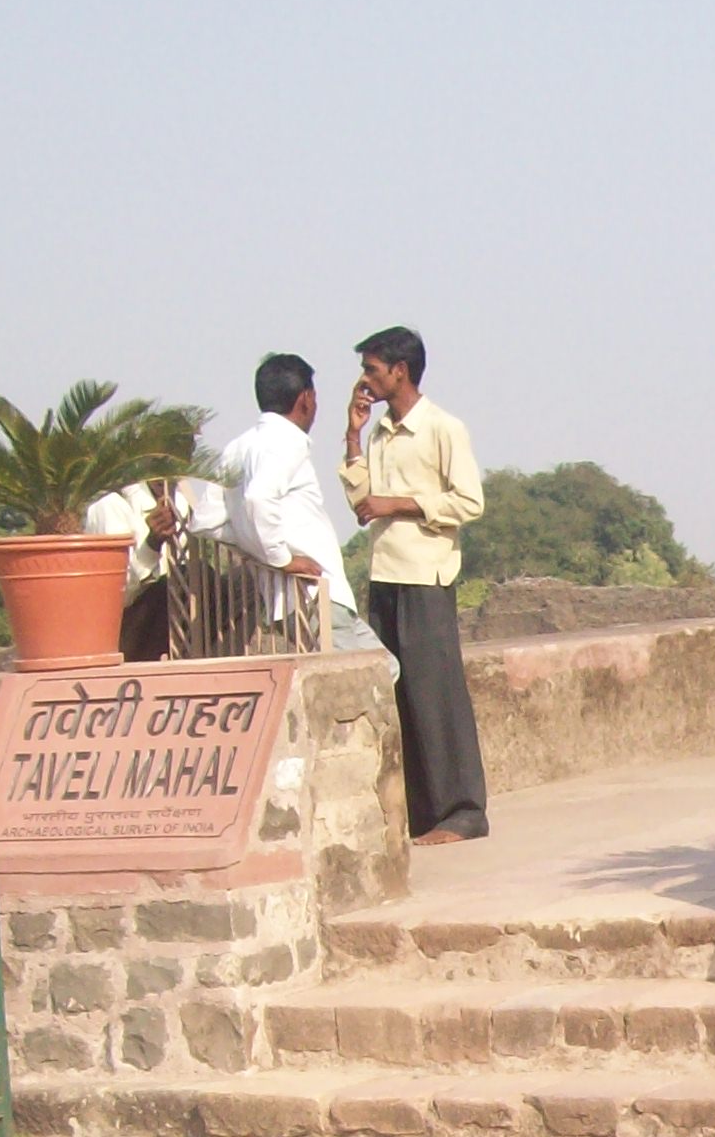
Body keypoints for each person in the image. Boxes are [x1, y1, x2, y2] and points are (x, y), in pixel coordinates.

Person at [342, 326, 491, 844]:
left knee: (436, 694)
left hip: (426, 577)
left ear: (399, 371)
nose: (365, 380)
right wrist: (353, 437)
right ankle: (426, 815)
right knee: (403, 696)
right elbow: (362, 504)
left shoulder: (443, 428)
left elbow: (469, 503)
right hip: (385, 574)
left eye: (372, 369)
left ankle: (464, 812)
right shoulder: (381, 432)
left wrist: (401, 503)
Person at [214, 354, 356, 650]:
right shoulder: (286, 441)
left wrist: (257, 546)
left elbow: (207, 522)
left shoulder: (237, 448)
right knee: (370, 673)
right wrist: (281, 558)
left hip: (286, 597)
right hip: (314, 594)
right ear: (306, 398)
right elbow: (258, 498)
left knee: (373, 668)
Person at [84, 472, 224, 660]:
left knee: (240, 583)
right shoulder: (112, 505)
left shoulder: (182, 505)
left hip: (172, 616)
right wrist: (152, 544)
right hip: (126, 626)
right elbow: (118, 593)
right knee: (192, 574)